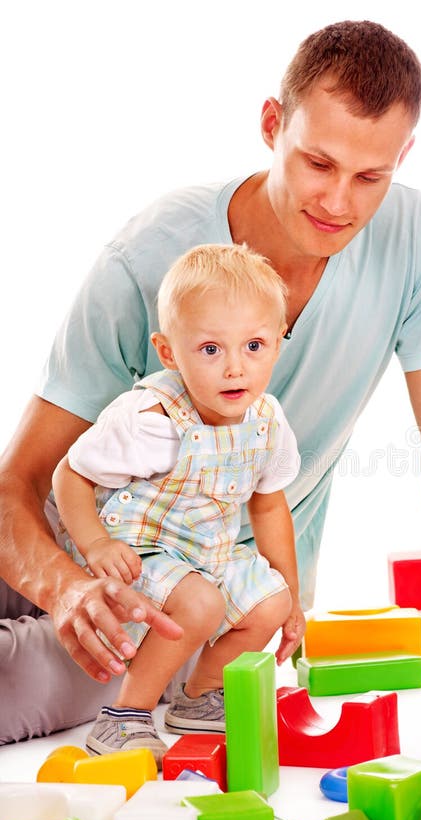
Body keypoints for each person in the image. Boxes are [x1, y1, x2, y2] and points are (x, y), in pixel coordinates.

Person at [0, 20, 421, 745]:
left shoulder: (409, 235)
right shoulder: (148, 257)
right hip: (88, 541)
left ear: (403, 157)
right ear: (272, 125)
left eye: (370, 177)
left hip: (209, 601)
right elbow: (16, 483)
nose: (338, 202)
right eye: (318, 163)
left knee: (17, 688)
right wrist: (66, 587)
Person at [51, 243, 303, 764]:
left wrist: (294, 598)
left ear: (279, 342)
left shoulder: (267, 421)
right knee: (201, 603)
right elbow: (69, 474)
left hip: (205, 553)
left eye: (254, 345)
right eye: (210, 349)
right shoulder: (151, 418)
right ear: (169, 353)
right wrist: (95, 545)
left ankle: (199, 697)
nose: (235, 368)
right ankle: (123, 717)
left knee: (271, 601)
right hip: (133, 548)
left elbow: (269, 505)